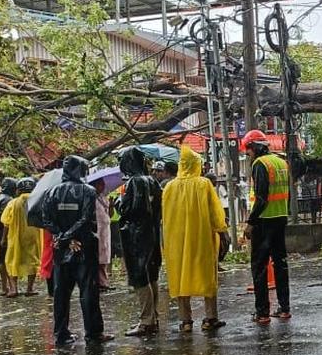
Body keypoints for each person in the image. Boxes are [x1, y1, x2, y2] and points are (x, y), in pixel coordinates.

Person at [41, 156, 111, 345]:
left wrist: (61, 236)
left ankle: (61, 333)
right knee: (88, 290)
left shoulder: (51, 192)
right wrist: (70, 236)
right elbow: (86, 218)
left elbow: (46, 220)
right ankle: (93, 333)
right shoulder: (87, 191)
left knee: (61, 292)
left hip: (60, 248)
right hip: (84, 247)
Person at [162, 146, 228, 332]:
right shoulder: (203, 184)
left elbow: (165, 217)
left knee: (181, 276)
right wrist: (221, 230)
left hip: (176, 241)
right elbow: (215, 213)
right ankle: (210, 318)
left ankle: (186, 321)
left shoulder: (169, 187)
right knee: (207, 275)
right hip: (201, 238)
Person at [242, 130, 291, 322]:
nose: (248, 154)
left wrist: (250, 223)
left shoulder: (260, 164)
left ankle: (262, 313)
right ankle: (284, 308)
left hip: (264, 221)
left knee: (260, 266)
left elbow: (261, 198)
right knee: (280, 264)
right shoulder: (281, 162)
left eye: (248, 150)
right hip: (280, 217)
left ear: (254, 147)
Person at [116, 147, 163, 337]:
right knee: (151, 275)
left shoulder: (135, 182)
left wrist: (119, 203)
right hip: (151, 231)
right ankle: (153, 317)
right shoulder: (152, 181)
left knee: (140, 276)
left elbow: (132, 208)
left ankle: (146, 320)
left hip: (137, 234)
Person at [0, 178, 41, 298]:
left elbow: (6, 222)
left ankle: (13, 289)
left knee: (12, 260)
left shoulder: (13, 203)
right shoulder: (37, 201)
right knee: (33, 261)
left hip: (15, 236)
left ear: (18, 189)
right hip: (34, 236)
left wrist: (4, 238)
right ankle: (30, 288)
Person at [0, 178, 17, 292]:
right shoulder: (8, 200)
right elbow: (6, 220)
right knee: (8, 260)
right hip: (5, 233)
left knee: (2, 260)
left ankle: (4, 287)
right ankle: (11, 287)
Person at [92, 180, 112, 291]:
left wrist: (111, 206)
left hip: (105, 230)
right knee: (98, 256)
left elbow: (109, 214)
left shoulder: (103, 198)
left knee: (104, 256)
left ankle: (104, 281)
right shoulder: (91, 198)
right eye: (100, 184)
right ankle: (100, 282)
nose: (103, 186)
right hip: (97, 230)